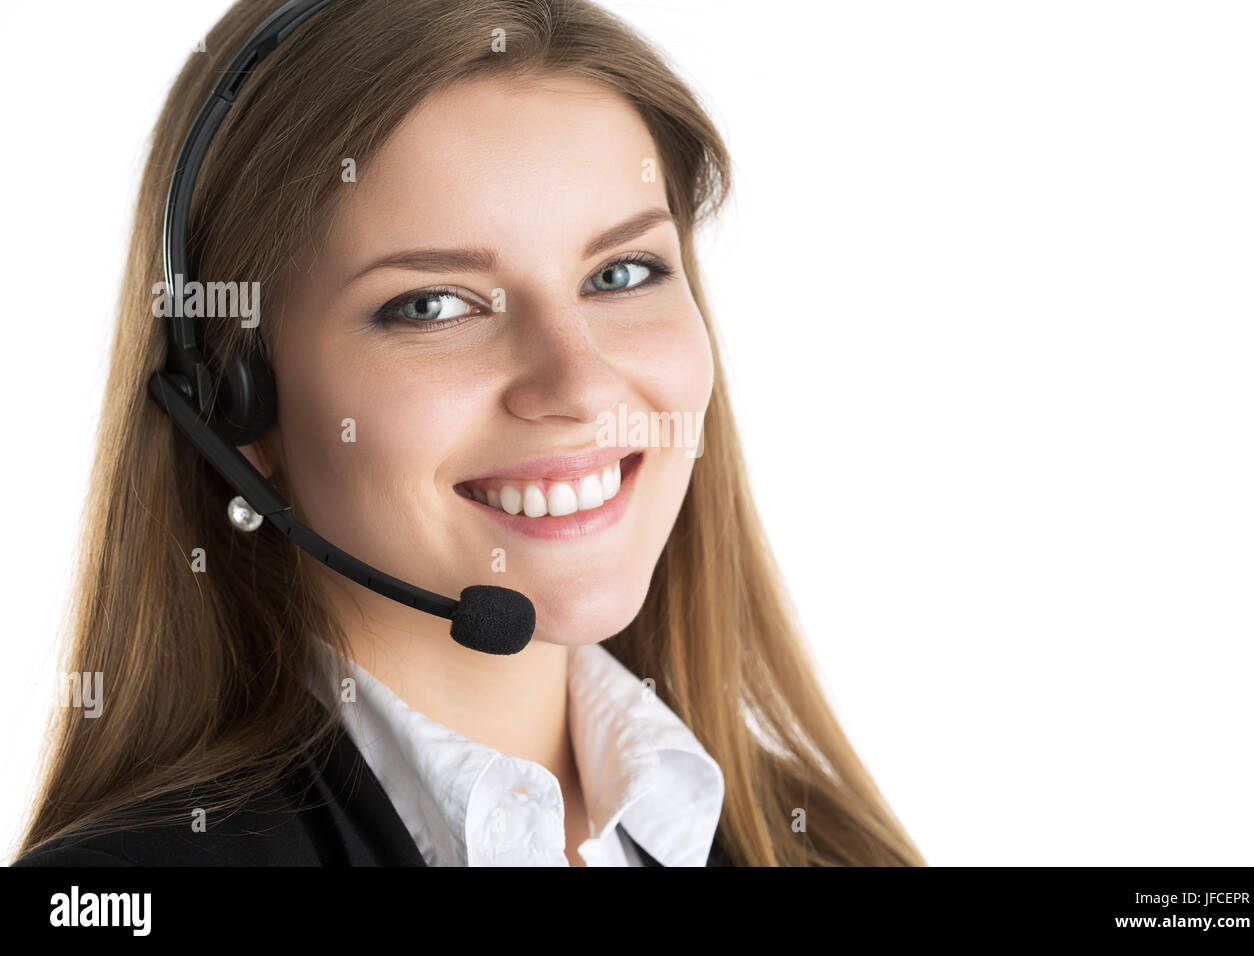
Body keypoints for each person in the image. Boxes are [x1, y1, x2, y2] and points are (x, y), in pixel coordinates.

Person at [13, 0, 925, 867]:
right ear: (232, 402)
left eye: (620, 274)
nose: (579, 384)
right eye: (432, 304)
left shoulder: (823, 844)